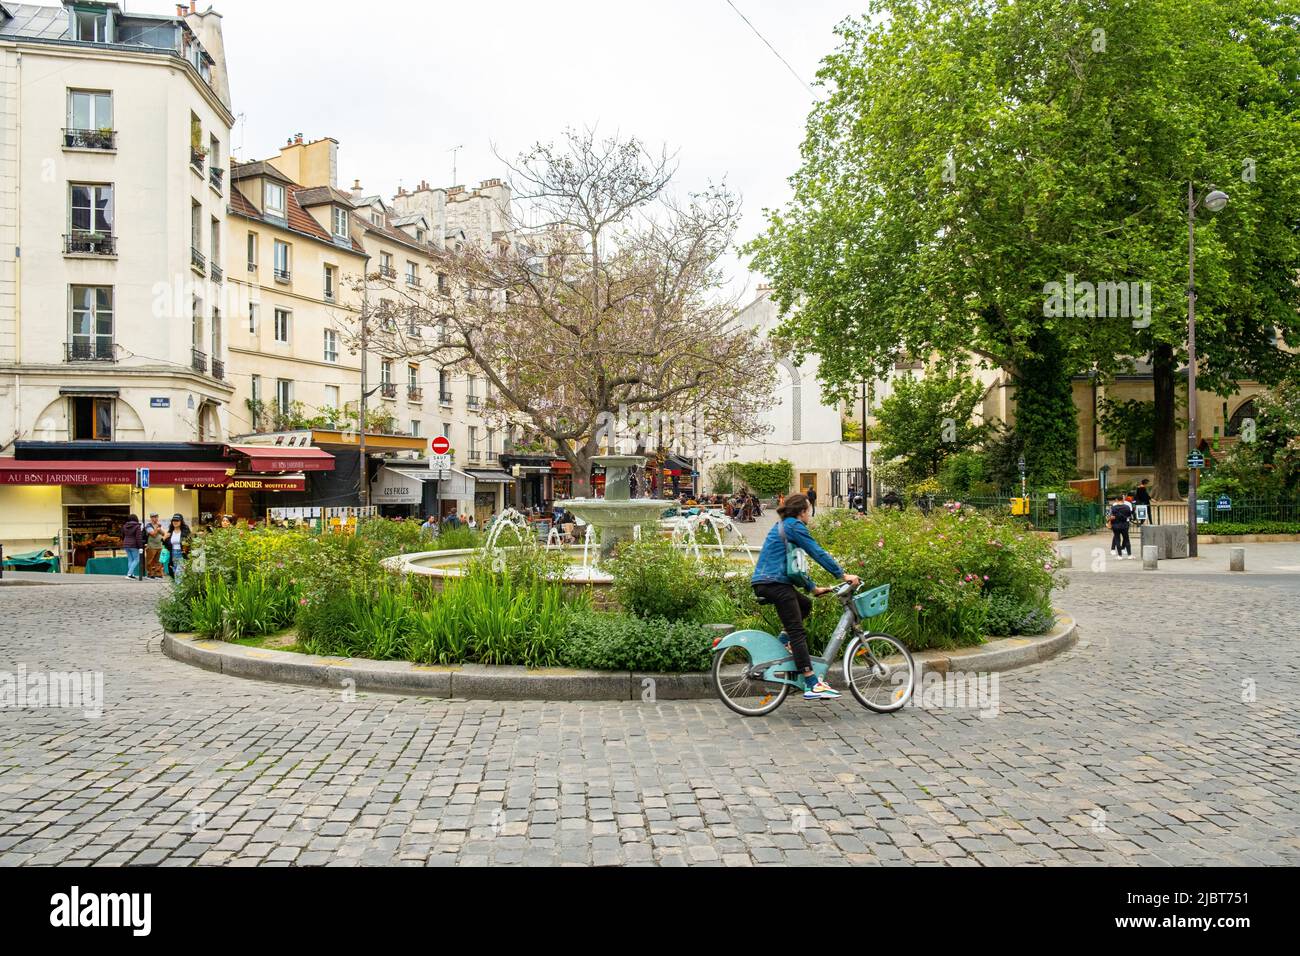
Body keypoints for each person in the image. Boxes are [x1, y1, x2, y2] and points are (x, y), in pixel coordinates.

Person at [751, 493, 861, 701]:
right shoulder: (794, 526)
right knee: (797, 631)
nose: (809, 514)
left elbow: (794, 564)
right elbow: (816, 552)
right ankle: (812, 683)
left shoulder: (785, 526)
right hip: (774, 583)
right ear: (802, 511)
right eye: (808, 510)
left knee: (805, 605)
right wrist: (842, 574)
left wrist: (812, 588)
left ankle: (782, 643)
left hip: (770, 581)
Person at [165, 514, 192, 579]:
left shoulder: (185, 531)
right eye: (173, 520)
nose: (175, 522)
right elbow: (167, 546)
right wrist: (164, 539)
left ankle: (178, 587)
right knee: (175, 572)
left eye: (177, 520)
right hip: (173, 554)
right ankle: (179, 588)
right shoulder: (170, 532)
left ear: (181, 522)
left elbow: (190, 542)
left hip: (182, 554)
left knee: (179, 573)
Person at [122, 514, 143, 581]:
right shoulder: (137, 526)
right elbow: (138, 537)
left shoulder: (125, 526)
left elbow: (123, 535)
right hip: (134, 545)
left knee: (130, 560)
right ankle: (129, 574)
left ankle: (132, 574)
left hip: (126, 544)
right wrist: (140, 546)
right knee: (136, 559)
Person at [143, 513, 165, 579]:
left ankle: (158, 574)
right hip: (151, 546)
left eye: (156, 517)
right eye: (153, 517)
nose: (155, 518)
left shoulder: (158, 526)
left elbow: (163, 533)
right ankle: (150, 574)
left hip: (159, 546)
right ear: (151, 518)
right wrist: (157, 529)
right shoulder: (148, 526)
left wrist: (159, 528)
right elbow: (153, 534)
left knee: (158, 561)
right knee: (150, 561)